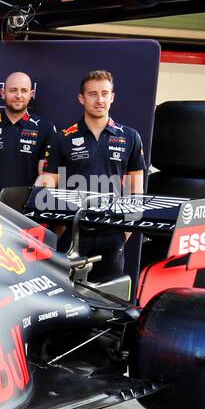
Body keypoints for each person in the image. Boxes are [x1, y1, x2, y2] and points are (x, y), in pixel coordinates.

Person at [39, 69, 146, 281]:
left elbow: (136, 190)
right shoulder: (63, 138)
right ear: (81, 98)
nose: (99, 100)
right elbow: (49, 185)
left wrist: (123, 233)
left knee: (108, 297)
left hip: (112, 233)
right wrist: (60, 228)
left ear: (112, 97)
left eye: (105, 94)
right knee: (66, 296)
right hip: (73, 233)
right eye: (92, 94)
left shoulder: (130, 137)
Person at [0, 71, 55, 199]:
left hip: (28, 205)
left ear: (31, 94)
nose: (18, 95)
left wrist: (35, 198)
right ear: (3, 93)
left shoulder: (45, 128)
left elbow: (45, 174)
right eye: (13, 90)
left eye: (24, 91)